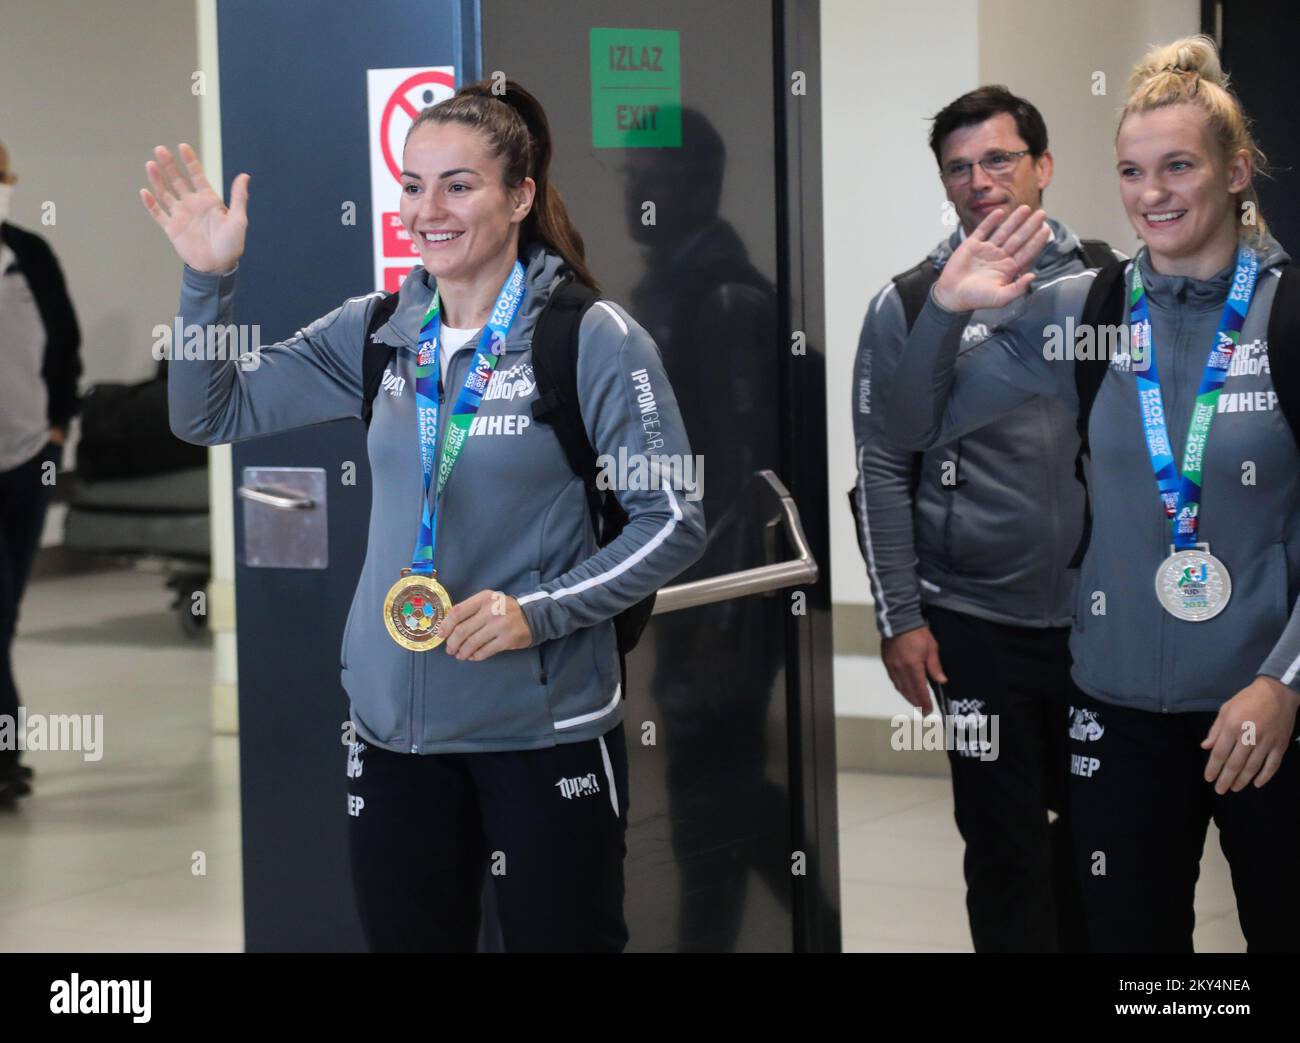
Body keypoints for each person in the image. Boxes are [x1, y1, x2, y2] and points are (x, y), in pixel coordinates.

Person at [140, 80, 706, 952]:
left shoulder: (589, 337)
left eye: (457, 184)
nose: (427, 209)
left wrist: (537, 612)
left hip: (541, 731)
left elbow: (673, 518)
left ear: (519, 196)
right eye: (412, 184)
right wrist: (206, 279)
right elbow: (205, 414)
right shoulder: (373, 333)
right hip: (393, 734)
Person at [883, 36, 1300, 952]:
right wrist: (947, 313)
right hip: (1114, 709)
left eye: (1178, 166)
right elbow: (909, 427)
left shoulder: (1286, 313)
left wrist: (1283, 679)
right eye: (1132, 171)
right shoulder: (1090, 309)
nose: (1153, 193)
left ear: (1235, 171)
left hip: (1266, 712)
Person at [854, 86, 1119, 953]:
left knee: (1105, 847)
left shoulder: (1109, 286)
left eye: (999, 159)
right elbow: (885, 463)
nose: (980, 181)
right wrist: (900, 616)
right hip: (970, 623)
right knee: (1004, 851)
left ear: (1044, 165)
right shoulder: (908, 302)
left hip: (1101, 622)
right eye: (959, 168)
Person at [0, 138, 82, 808]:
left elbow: (65, 342)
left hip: (29, 457)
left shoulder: (27, 253)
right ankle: (4, 761)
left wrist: (57, 430)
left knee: (6, 612)